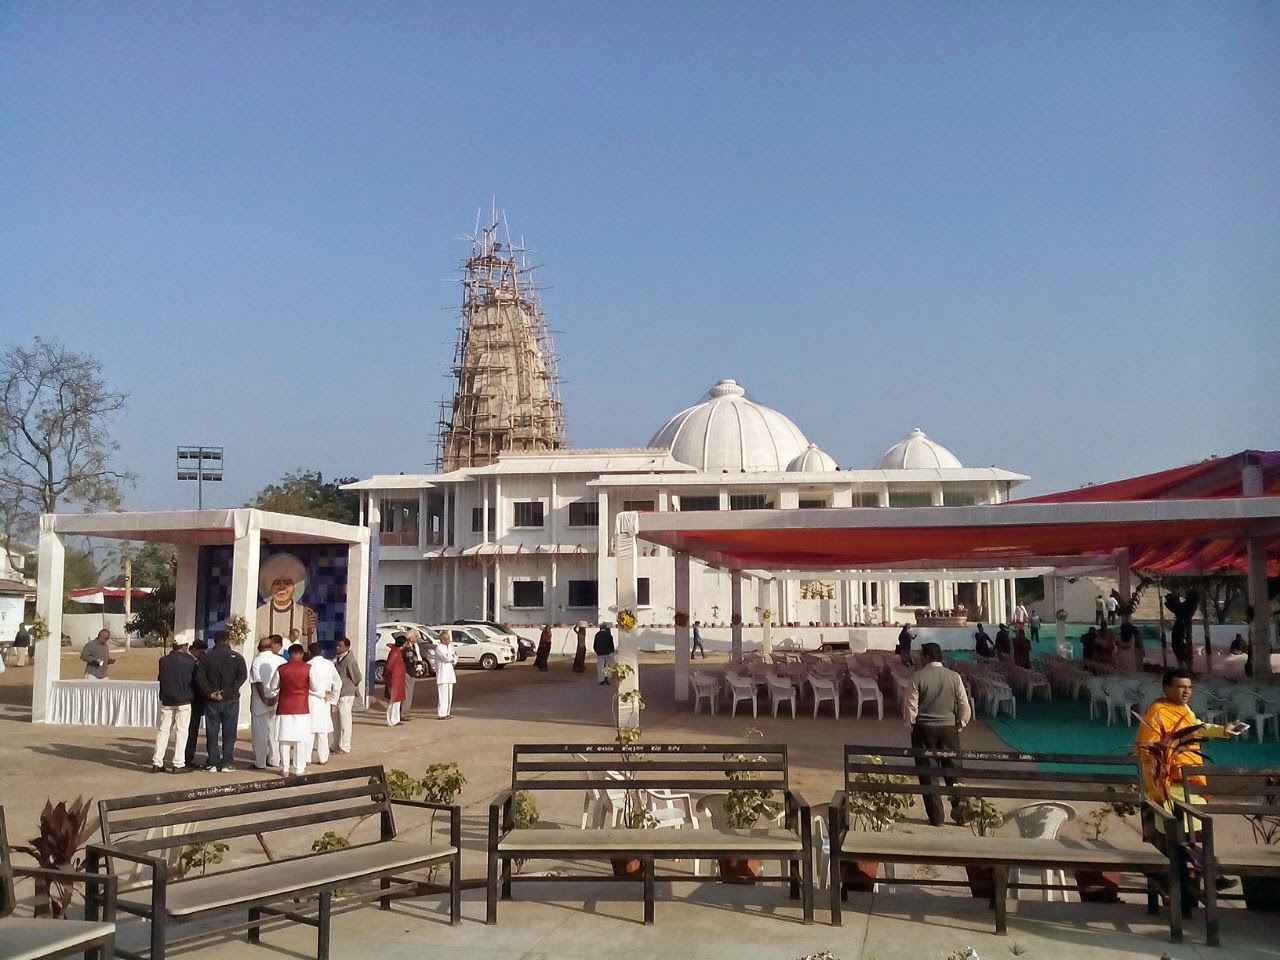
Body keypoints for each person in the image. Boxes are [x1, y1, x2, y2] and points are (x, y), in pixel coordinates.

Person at [1136, 669, 1246, 901]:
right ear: (1166, 688)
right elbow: (1151, 748)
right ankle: (1200, 882)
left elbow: (1196, 727)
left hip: (1189, 782)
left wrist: (1222, 730)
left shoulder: (1184, 710)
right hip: (1168, 785)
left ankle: (1205, 878)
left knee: (1196, 833)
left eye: (1189, 687)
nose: (1186, 691)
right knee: (1179, 839)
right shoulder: (1158, 712)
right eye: (1180, 687)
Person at [905, 642, 972, 827]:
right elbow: (964, 703)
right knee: (954, 772)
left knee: (928, 773)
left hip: (924, 729)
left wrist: (911, 725)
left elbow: (911, 706)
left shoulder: (917, 677)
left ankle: (936, 818)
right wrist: (961, 722)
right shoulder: (954, 677)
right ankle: (962, 816)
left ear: (927, 657)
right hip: (948, 729)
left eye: (921, 655)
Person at [196, 628, 248, 773]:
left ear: (215, 641)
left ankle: (213, 761)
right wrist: (227, 692)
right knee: (230, 731)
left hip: (212, 700)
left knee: (212, 731)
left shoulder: (206, 658)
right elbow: (242, 677)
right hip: (230, 699)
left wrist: (210, 693)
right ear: (228, 640)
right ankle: (227, 762)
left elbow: (200, 678)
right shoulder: (237, 657)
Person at [151, 637, 197, 773]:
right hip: (183, 700)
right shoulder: (190, 661)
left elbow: (160, 677)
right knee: (182, 731)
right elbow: (194, 679)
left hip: (167, 700)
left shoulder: (163, 660)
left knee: (163, 731)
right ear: (184, 646)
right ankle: (178, 763)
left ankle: (157, 761)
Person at [255, 553, 317, 645]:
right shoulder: (260, 613)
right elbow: (252, 645)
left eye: (287, 583)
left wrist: (306, 633)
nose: (282, 588)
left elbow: (311, 648)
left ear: (295, 586)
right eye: (277, 583)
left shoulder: (305, 613)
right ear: (269, 586)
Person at [270, 644, 312, 777]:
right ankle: (299, 768)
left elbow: (273, 686)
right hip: (302, 707)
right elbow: (315, 686)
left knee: (284, 739)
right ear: (302, 654)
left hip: (284, 706)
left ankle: (285, 768)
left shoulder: (281, 669)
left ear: (289, 654)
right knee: (300, 740)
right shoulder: (308, 668)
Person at [250, 636, 282, 770]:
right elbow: (284, 682)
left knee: (260, 732)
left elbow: (257, 681)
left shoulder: (256, 661)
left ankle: (260, 761)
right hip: (277, 699)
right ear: (272, 646)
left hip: (260, 700)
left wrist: (264, 698)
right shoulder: (281, 660)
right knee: (275, 731)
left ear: (259, 648)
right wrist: (276, 698)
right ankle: (275, 759)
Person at [306, 643, 340, 764]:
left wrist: (320, 693)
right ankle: (323, 758)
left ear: (310, 653)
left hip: (311, 700)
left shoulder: (308, 665)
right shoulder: (329, 664)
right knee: (322, 732)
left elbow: (306, 687)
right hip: (325, 702)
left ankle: (306, 758)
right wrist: (334, 700)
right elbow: (338, 683)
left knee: (309, 730)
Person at [333, 636, 362, 753]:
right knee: (337, 722)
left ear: (347, 647)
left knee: (345, 721)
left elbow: (357, 677)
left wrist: (352, 687)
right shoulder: (338, 659)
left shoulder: (350, 660)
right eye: (337, 645)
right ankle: (336, 744)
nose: (337, 647)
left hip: (346, 693)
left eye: (340, 646)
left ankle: (345, 746)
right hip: (338, 694)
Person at [184, 638, 209, 769]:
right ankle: (187, 758)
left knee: (191, 732)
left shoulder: (197, 662)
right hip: (191, 701)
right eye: (201, 652)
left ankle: (187, 756)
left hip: (194, 703)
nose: (202, 654)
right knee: (189, 732)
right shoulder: (189, 662)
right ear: (193, 650)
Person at [433, 630, 458, 719]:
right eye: (447, 639)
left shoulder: (450, 647)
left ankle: (447, 712)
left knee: (449, 695)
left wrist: (452, 658)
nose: (449, 641)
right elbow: (445, 658)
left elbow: (455, 657)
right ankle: (442, 714)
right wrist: (451, 657)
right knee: (443, 695)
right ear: (443, 640)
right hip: (442, 674)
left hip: (450, 674)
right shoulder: (439, 648)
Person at [384, 636, 407, 726]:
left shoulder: (397, 652)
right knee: (393, 700)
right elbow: (388, 665)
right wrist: (386, 675)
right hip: (394, 679)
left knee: (397, 700)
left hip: (398, 679)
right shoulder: (394, 652)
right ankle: (391, 720)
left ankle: (396, 719)